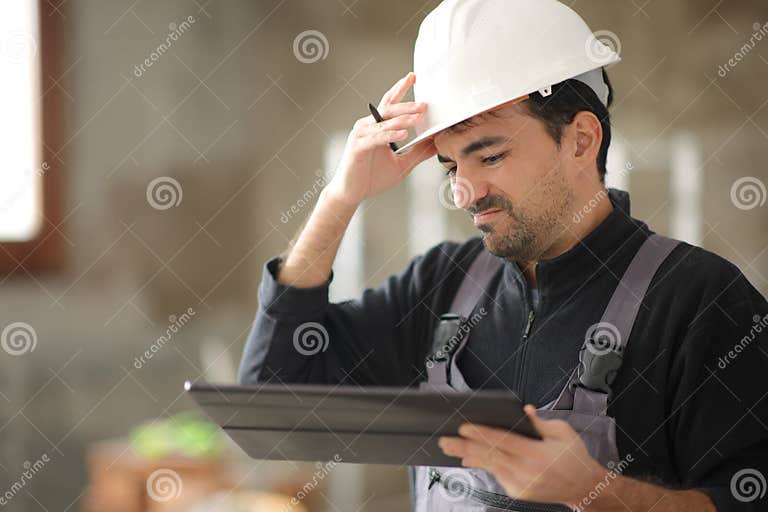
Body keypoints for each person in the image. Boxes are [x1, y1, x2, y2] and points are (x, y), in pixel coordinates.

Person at [239, 1, 768, 510]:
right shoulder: (443, 283)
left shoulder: (703, 302)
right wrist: (340, 198)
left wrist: (600, 493)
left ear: (581, 140)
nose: (464, 191)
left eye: (489, 155)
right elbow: (272, 398)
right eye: (450, 168)